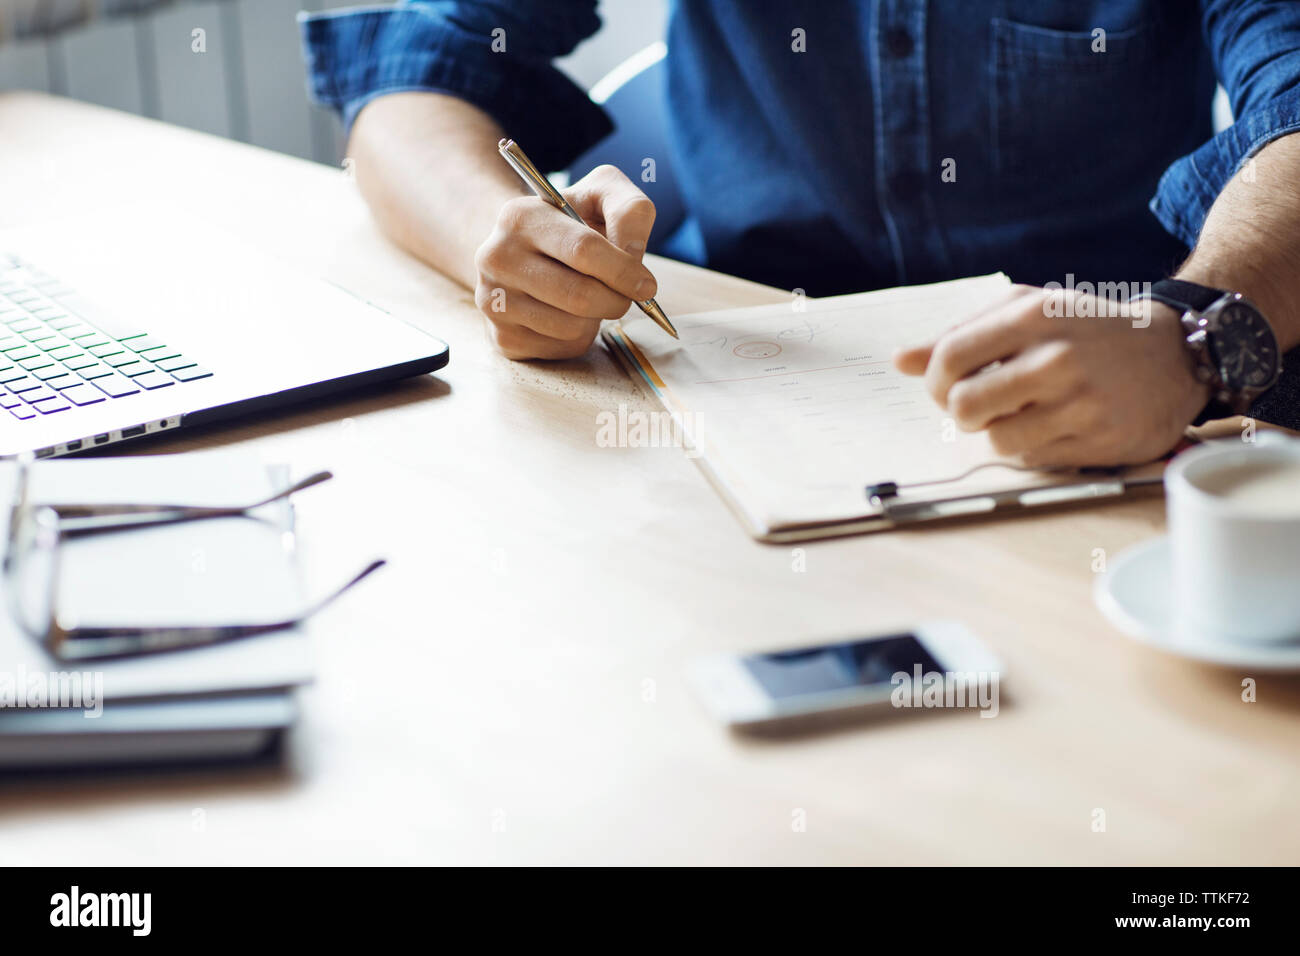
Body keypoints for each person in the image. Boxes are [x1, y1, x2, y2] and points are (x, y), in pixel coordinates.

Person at [300, 1, 1300, 466]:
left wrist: (1192, 331)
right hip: (731, 391)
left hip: (1131, 400)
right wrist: (502, 233)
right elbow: (416, 71)